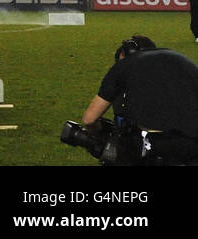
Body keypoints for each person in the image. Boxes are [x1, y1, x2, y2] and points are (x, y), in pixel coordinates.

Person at [79, 36, 198, 164]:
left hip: (148, 146)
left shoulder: (124, 65)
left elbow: (89, 119)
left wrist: (99, 134)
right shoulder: (183, 61)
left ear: (125, 55)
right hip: (191, 143)